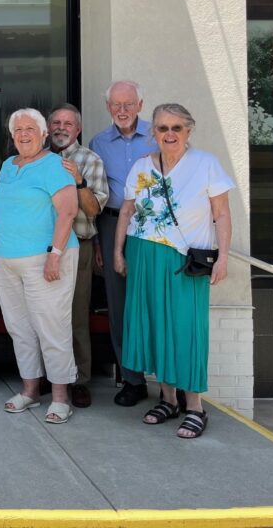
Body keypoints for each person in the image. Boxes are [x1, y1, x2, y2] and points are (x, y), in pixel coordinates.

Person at [114, 103, 234, 440]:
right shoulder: (141, 166)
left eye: (176, 128)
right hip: (144, 254)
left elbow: (222, 214)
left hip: (184, 260)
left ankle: (195, 406)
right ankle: (167, 400)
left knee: (186, 329)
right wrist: (118, 252)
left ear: (188, 131)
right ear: (153, 132)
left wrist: (223, 257)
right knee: (155, 327)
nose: (169, 134)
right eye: (163, 128)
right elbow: (127, 211)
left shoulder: (206, 164)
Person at [0, 108, 79, 424]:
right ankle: (30, 390)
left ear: (43, 134)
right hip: (4, 259)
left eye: (31, 128)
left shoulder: (55, 165)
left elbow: (68, 212)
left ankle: (60, 397)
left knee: (51, 326)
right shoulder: (7, 166)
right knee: (20, 327)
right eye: (18, 129)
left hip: (45, 259)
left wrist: (55, 254)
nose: (24, 134)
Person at [89, 80, 158, 407]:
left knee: (155, 304)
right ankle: (132, 380)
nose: (122, 110)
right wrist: (101, 243)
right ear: (108, 108)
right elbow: (96, 193)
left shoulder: (160, 136)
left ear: (140, 105)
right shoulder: (99, 143)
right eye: (116, 105)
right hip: (112, 221)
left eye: (128, 104)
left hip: (154, 229)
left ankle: (168, 381)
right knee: (119, 307)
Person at [48, 104, 109, 409]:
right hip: (42, 249)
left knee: (75, 315)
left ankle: (79, 380)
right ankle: (52, 377)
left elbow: (94, 209)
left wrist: (78, 181)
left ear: (78, 129)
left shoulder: (90, 160)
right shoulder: (39, 159)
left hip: (78, 246)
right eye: (56, 122)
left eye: (67, 123)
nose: (61, 127)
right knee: (46, 316)